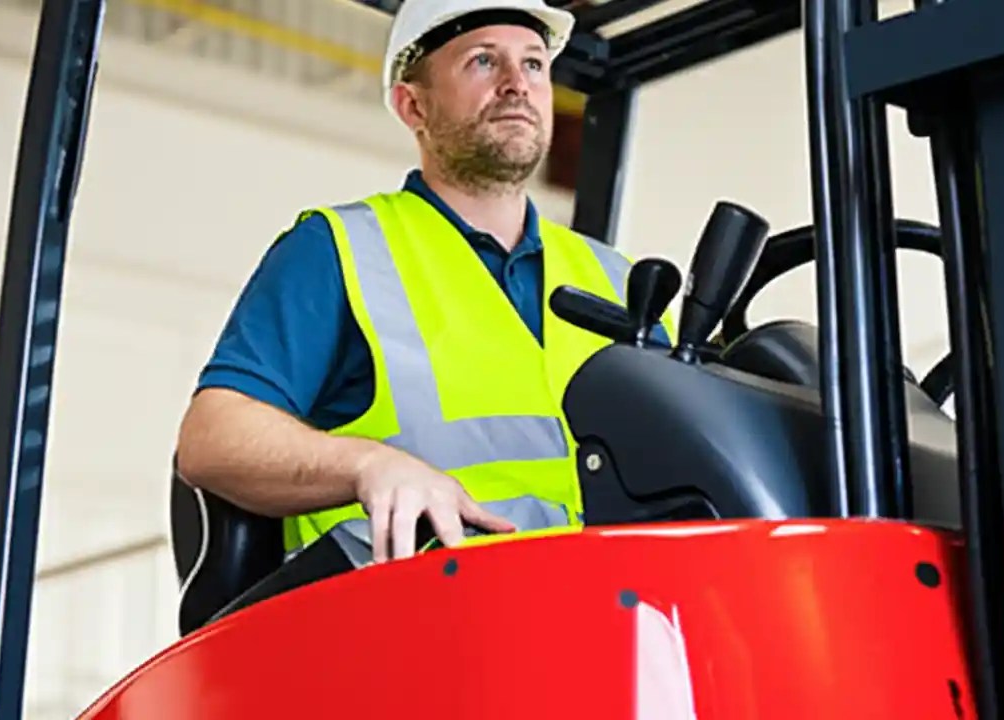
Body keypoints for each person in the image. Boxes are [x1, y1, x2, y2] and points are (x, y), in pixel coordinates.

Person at [174, 0, 671, 565]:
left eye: (533, 63)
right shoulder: (342, 250)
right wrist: (368, 465)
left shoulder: (623, 281)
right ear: (415, 106)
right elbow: (212, 437)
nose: (517, 84)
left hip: (611, 616)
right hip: (412, 626)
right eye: (483, 61)